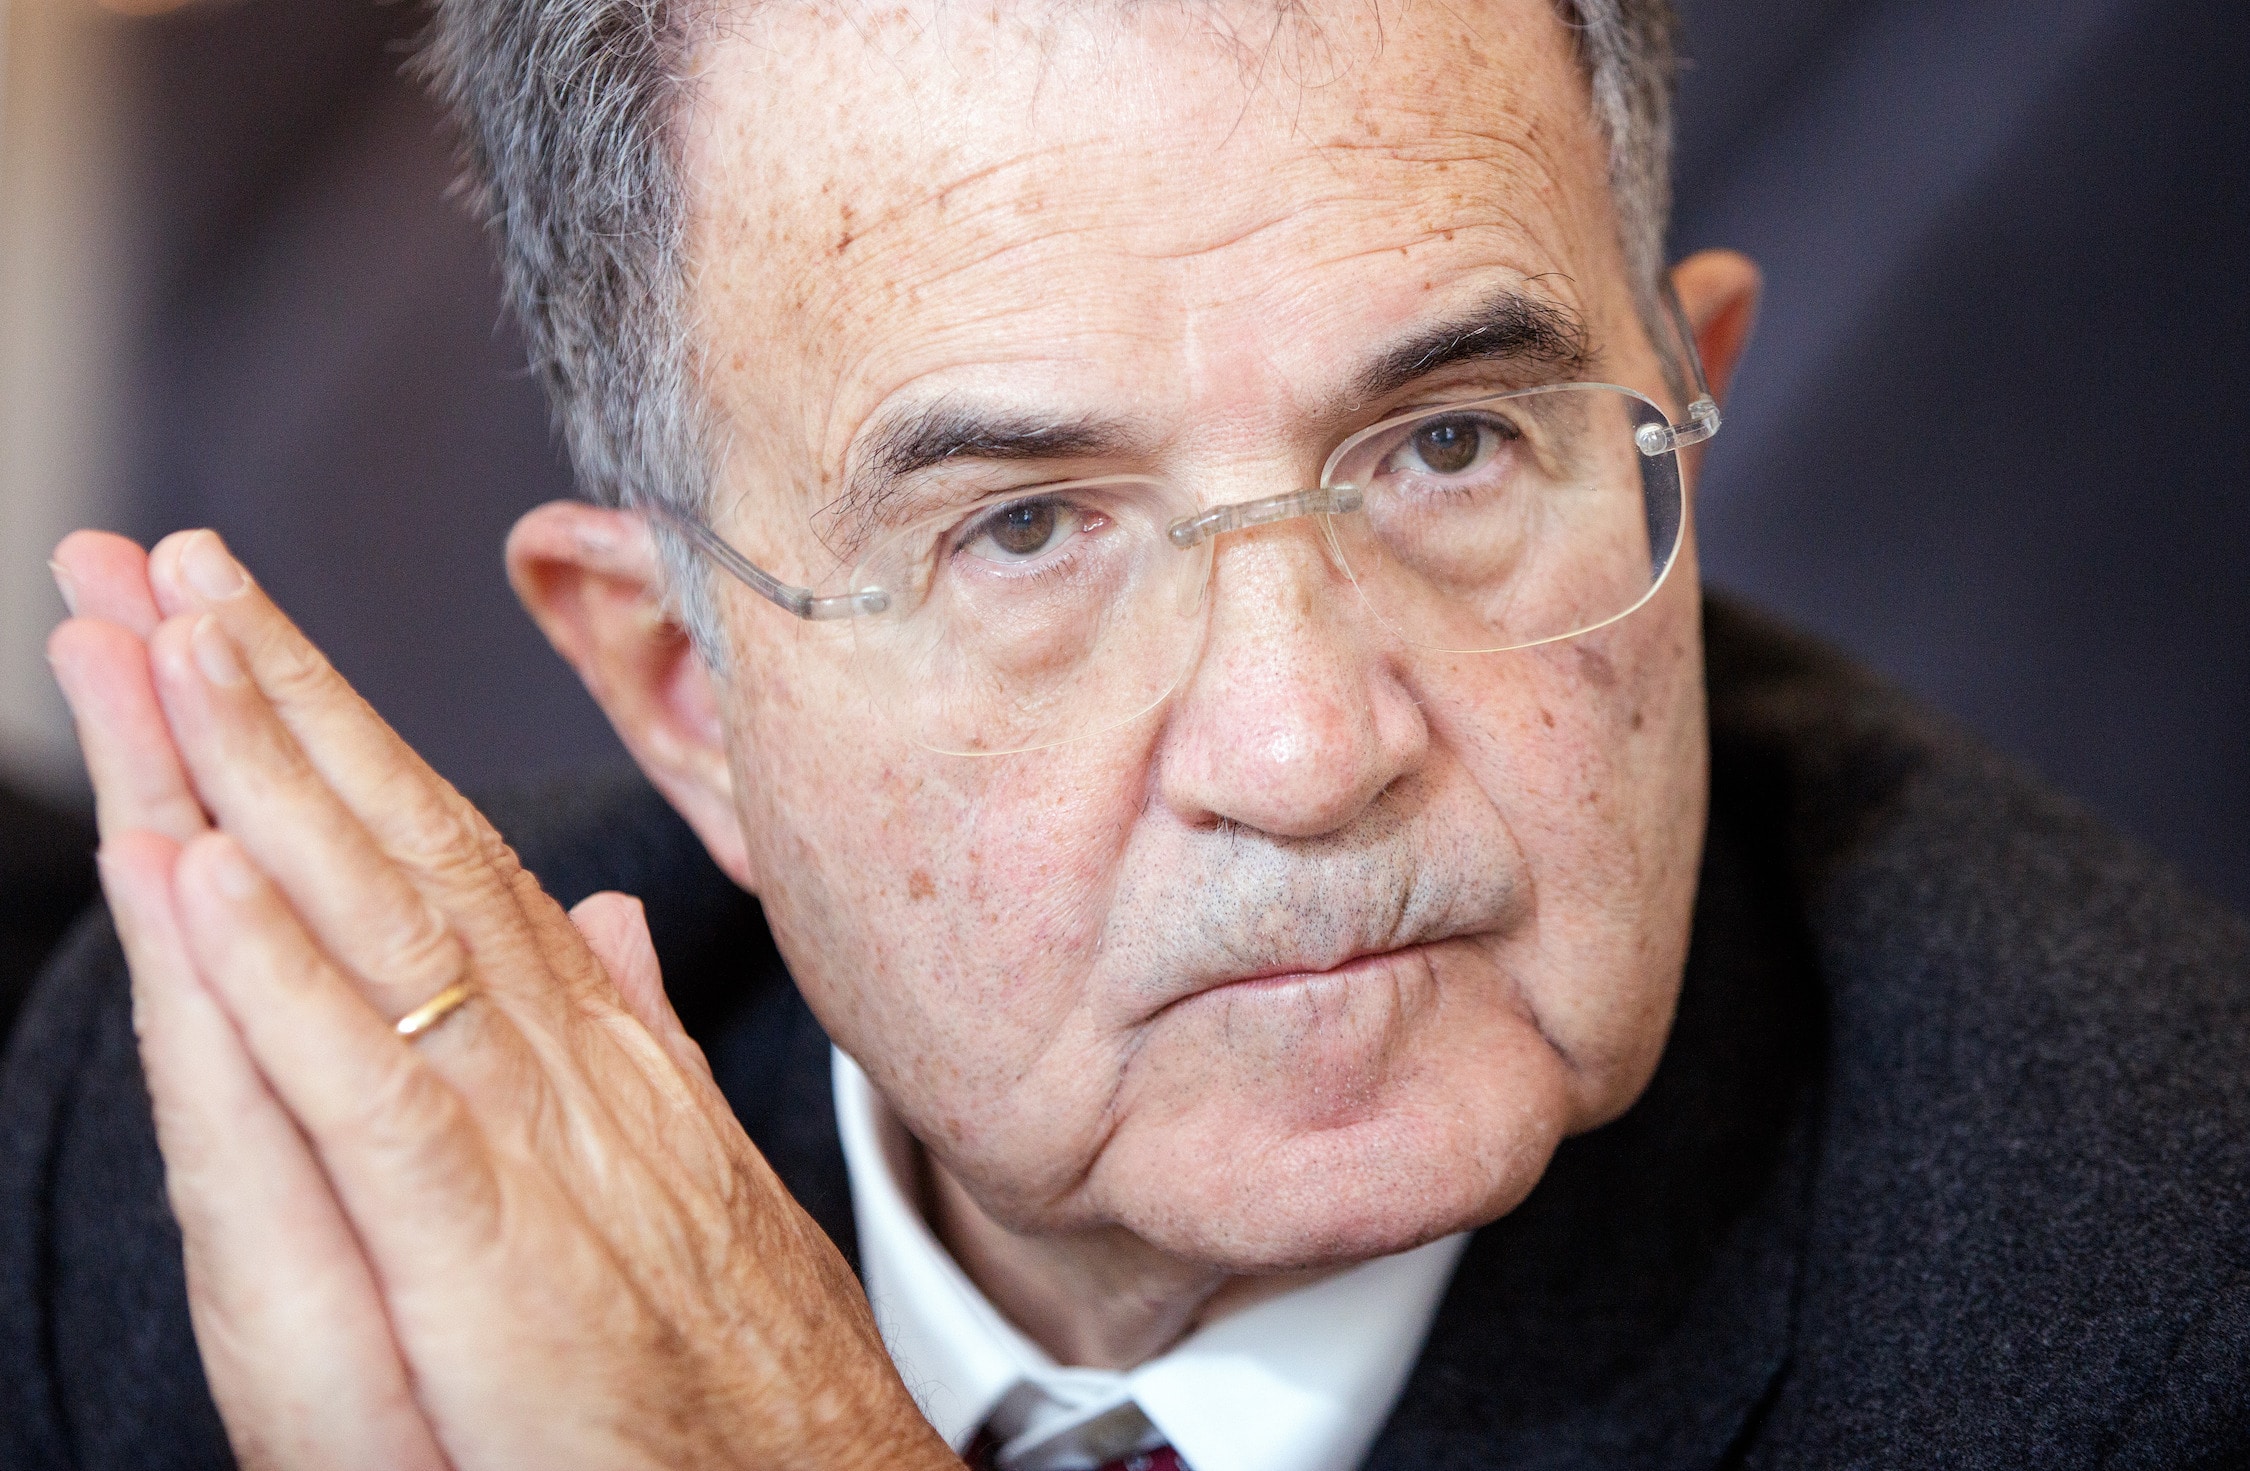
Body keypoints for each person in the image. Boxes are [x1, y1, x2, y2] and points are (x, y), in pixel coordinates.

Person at [3, 0, 2243, 1466]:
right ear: (682, 689)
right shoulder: (212, 1189)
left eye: (1451, 445)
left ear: (1680, 412)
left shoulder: (2146, 1315)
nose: (1305, 747)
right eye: (1025, 530)